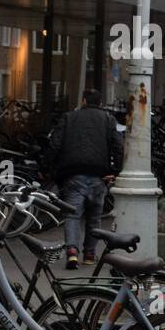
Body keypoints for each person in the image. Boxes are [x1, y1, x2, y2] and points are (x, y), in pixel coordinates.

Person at [47, 89, 123, 269]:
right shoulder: (108, 119)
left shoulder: (68, 118)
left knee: (73, 216)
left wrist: (48, 168)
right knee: (94, 218)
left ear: (83, 101)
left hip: (73, 175)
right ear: (101, 103)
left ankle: (72, 251)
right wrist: (115, 170)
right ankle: (90, 253)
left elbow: (55, 144)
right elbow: (118, 146)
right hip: (99, 175)